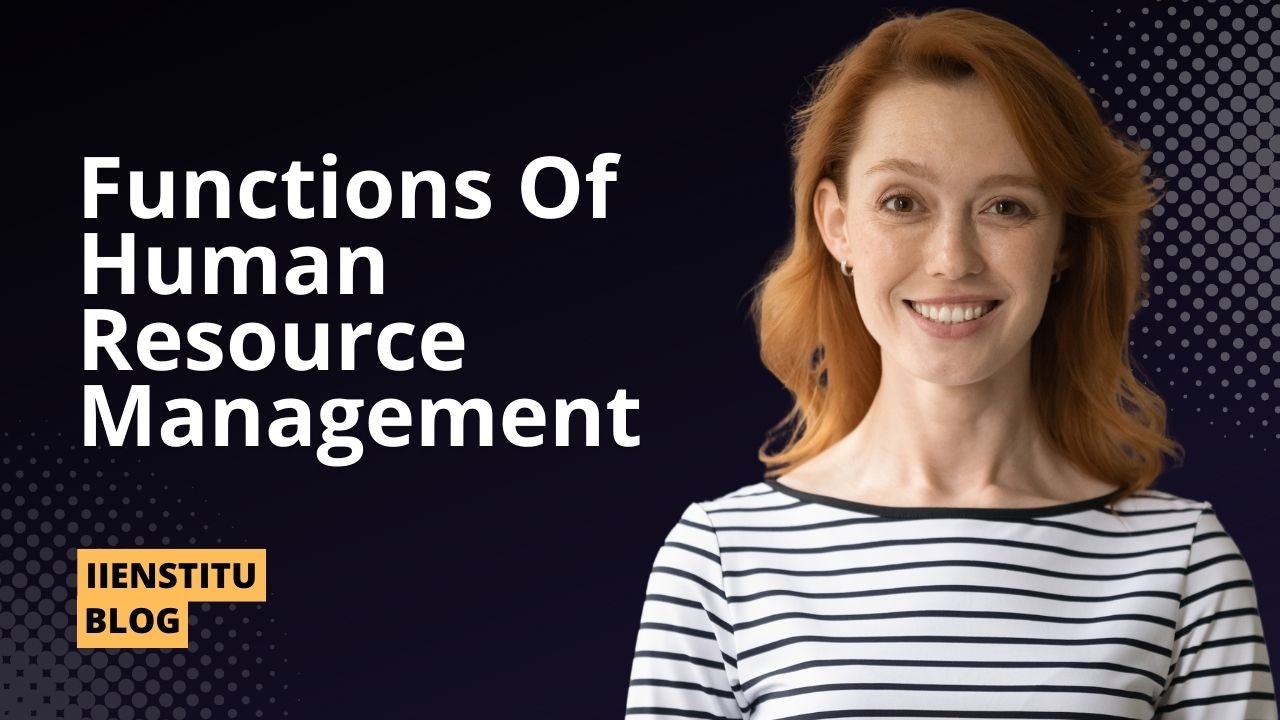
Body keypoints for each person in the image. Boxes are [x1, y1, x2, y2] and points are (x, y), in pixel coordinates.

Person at [624, 7, 1276, 719]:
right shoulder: (721, 560)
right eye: (903, 202)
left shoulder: (1183, 564)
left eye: (1006, 206)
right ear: (837, 225)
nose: (952, 259)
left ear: (1064, 240)